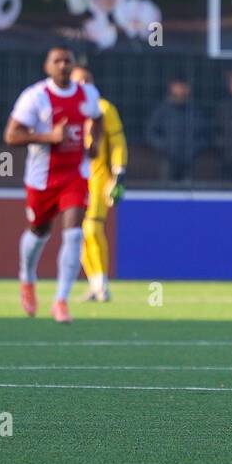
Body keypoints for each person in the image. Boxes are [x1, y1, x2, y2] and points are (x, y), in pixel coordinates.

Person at [4, 47, 103, 324]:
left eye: (67, 61)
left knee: (73, 234)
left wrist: (94, 143)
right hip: (42, 178)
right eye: (56, 61)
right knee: (39, 232)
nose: (62, 65)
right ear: (47, 67)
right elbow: (11, 136)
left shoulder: (88, 94)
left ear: (73, 66)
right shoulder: (35, 96)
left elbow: (98, 117)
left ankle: (61, 300)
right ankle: (27, 277)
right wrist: (49, 136)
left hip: (75, 175)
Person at [70, 66, 126, 303]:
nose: (82, 85)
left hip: (97, 179)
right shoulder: (67, 108)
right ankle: (94, 284)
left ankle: (102, 283)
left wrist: (118, 174)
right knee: (77, 235)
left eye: (86, 80)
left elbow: (117, 142)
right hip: (71, 180)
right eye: (77, 82)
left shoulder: (104, 108)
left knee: (93, 228)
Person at [147, 78, 210, 183]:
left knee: (190, 191)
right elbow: (151, 133)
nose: (180, 90)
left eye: (183, 86)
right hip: (168, 159)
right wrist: (165, 146)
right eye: (177, 86)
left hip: (190, 161)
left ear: (188, 89)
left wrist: (194, 149)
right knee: (167, 192)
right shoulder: (162, 110)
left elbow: (206, 135)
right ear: (171, 88)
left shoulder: (195, 111)